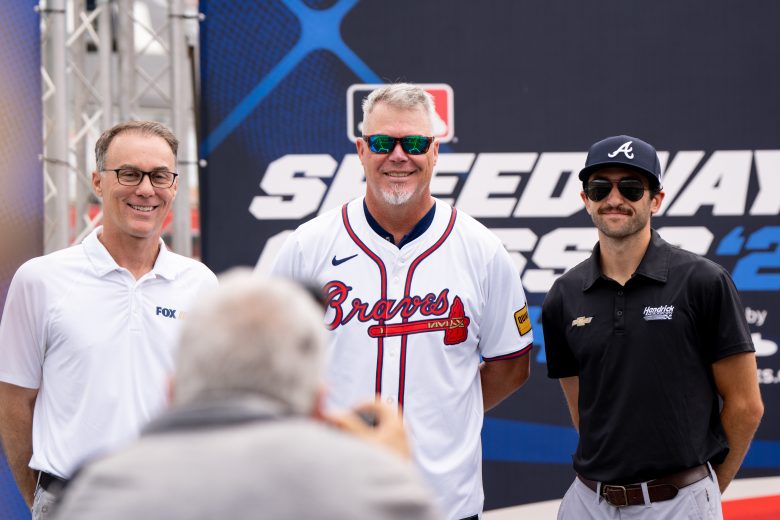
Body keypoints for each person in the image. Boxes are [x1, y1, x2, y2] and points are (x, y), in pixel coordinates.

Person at [271, 83, 534, 519]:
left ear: (434, 152)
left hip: (444, 500)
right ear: (361, 150)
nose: (398, 156)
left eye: (413, 142)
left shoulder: (480, 249)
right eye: (382, 142)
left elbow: (511, 364)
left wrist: (448, 412)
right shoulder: (309, 245)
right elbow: (269, 362)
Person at [53, 270, 441, 520]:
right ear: (319, 404)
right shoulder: (376, 489)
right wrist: (392, 472)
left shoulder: (96, 493)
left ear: (171, 391)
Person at [0, 120, 218, 519]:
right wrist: (45, 499)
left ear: (174, 186)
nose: (145, 190)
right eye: (129, 174)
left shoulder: (200, 284)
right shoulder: (41, 280)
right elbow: (14, 401)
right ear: (98, 182)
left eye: (159, 176)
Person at [542, 135, 764, 518]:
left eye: (631, 187)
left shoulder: (703, 281)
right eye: (600, 188)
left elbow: (746, 406)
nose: (615, 199)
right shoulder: (563, 294)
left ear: (656, 199)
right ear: (586, 200)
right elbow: (584, 410)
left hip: (679, 503)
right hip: (588, 503)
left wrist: (703, 490)